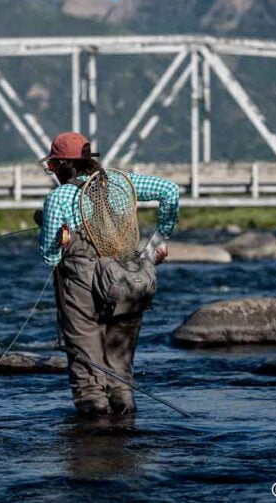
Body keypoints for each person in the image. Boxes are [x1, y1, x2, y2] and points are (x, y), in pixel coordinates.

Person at [37, 131, 179, 416]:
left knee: (86, 359)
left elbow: (50, 256)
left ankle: (92, 435)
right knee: (120, 363)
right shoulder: (121, 182)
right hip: (127, 275)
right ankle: (123, 426)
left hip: (81, 280)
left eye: (53, 166)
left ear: (65, 164)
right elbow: (170, 191)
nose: (51, 172)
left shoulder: (59, 197)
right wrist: (156, 245)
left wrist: (49, 232)